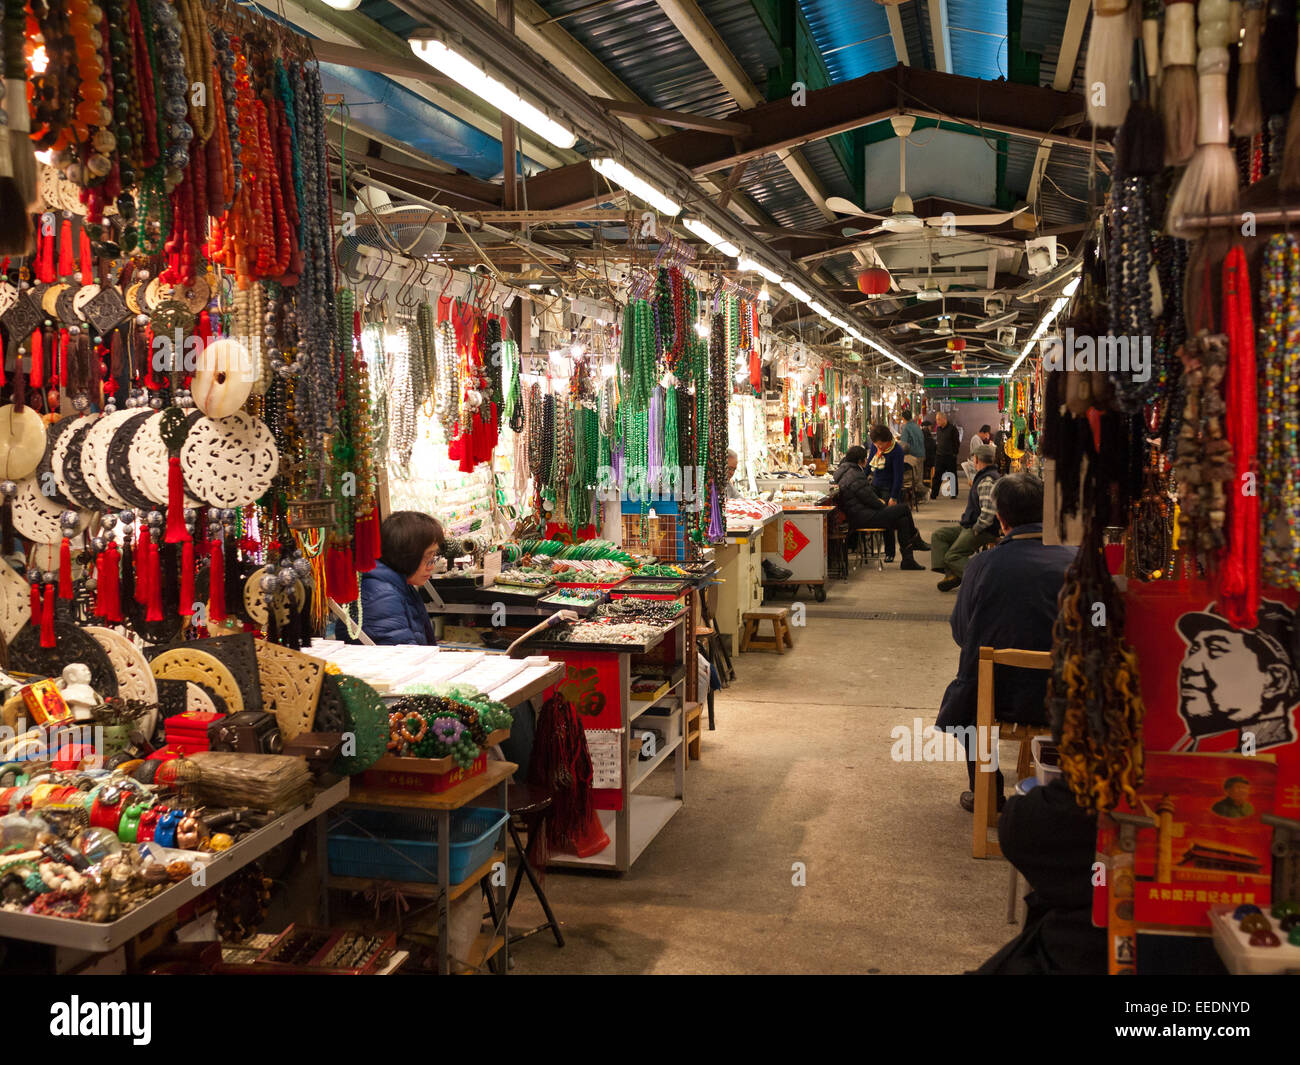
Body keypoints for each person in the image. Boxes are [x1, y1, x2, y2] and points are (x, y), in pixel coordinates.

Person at [936, 473, 1076, 810]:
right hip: (1069, 697)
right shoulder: (1079, 562)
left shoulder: (982, 564)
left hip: (998, 696)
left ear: (1000, 518)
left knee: (965, 700)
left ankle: (988, 790)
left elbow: (961, 632)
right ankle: (1068, 790)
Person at [1174, 599, 1299, 751]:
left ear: (1275, 680)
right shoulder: (1188, 747)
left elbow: (1250, 760)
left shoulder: (1250, 747)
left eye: (1215, 650)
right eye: (1194, 650)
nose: (1188, 665)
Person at [830, 445, 928, 571]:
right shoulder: (855, 475)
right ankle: (915, 538)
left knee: (902, 520)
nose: (866, 462)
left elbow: (865, 496)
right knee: (904, 509)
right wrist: (883, 505)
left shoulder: (843, 472)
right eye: (865, 459)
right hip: (863, 517)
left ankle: (908, 560)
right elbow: (870, 499)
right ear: (860, 461)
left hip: (858, 514)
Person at [357, 511, 446, 645]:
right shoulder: (382, 597)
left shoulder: (398, 584)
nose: (431, 566)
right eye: (428, 557)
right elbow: (403, 658)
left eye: (433, 557)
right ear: (407, 555)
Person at [929, 443, 1002, 591]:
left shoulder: (987, 480)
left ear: (976, 460)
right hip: (969, 524)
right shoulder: (983, 476)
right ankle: (953, 574)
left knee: (953, 556)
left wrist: (976, 529)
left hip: (982, 529)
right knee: (939, 535)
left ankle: (980, 581)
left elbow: (988, 513)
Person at [930, 411, 960, 499]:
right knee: (937, 476)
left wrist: (954, 454)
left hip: (950, 456)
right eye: (936, 420)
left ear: (944, 419)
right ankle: (934, 494)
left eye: (939, 419)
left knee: (952, 475)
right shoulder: (938, 429)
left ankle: (954, 493)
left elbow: (956, 443)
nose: (937, 421)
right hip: (939, 455)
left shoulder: (952, 429)